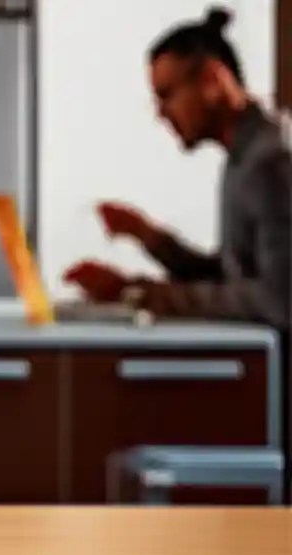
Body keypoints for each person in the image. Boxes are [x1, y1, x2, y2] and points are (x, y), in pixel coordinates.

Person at [63, 7, 291, 329]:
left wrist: (139, 294)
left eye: (167, 95)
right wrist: (148, 237)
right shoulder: (246, 157)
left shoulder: (271, 162)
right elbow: (232, 276)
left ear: (213, 80)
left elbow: (279, 299)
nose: (160, 113)